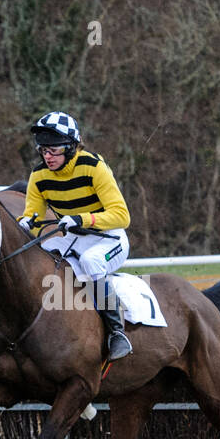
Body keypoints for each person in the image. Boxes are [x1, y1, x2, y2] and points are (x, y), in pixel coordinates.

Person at [21, 111, 134, 360]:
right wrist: (26, 223)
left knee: (91, 262)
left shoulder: (93, 167)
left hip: (108, 238)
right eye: (43, 150)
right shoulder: (39, 176)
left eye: (54, 150)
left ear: (71, 147)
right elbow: (34, 217)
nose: (47, 156)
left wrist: (82, 219)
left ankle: (116, 332)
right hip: (73, 236)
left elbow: (122, 216)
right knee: (42, 259)